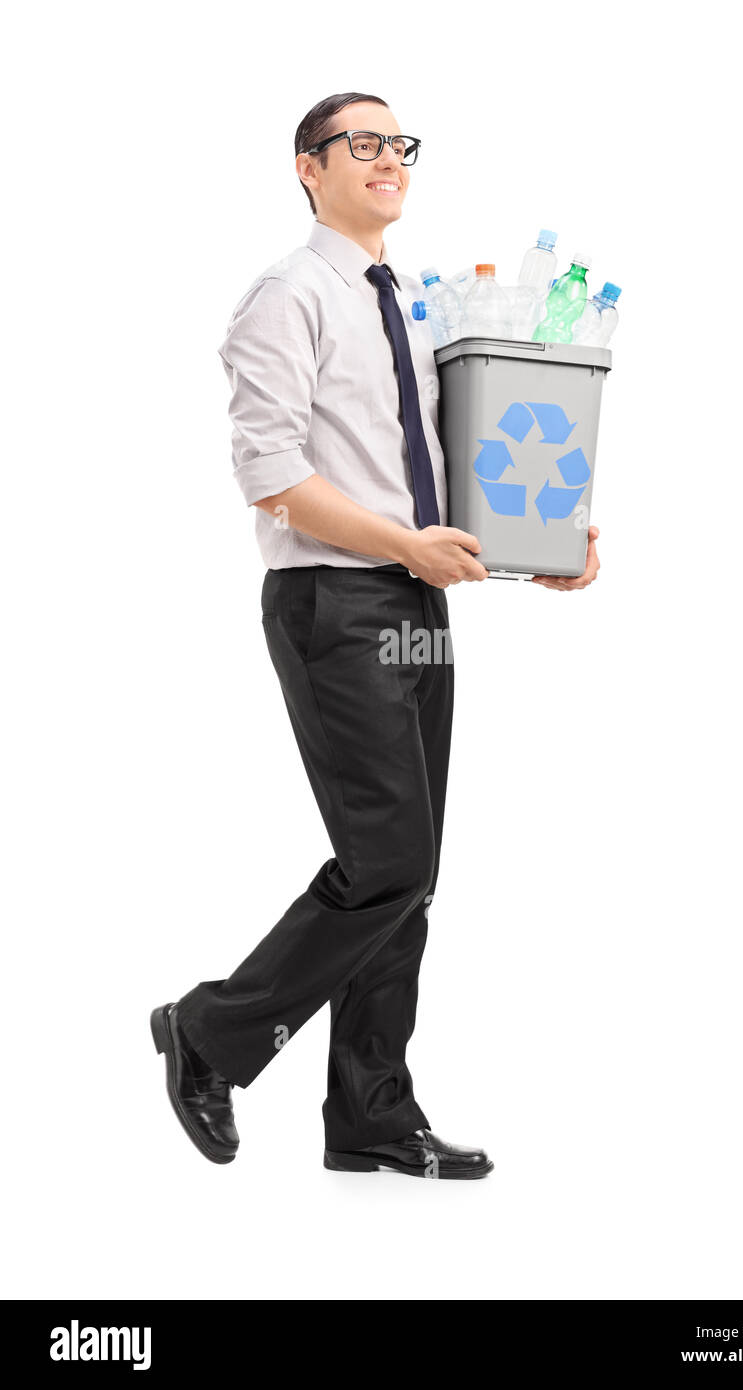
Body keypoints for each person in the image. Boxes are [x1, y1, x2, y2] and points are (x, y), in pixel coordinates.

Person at [151, 91, 601, 1180]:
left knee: (410, 874)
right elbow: (272, 480)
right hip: (334, 605)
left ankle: (367, 1108)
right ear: (307, 168)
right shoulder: (286, 295)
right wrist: (403, 550)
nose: (388, 158)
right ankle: (207, 1030)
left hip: (413, 608)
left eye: (400, 143)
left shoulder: (406, 305)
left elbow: (439, 463)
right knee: (387, 861)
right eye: (363, 143)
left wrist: (535, 546)